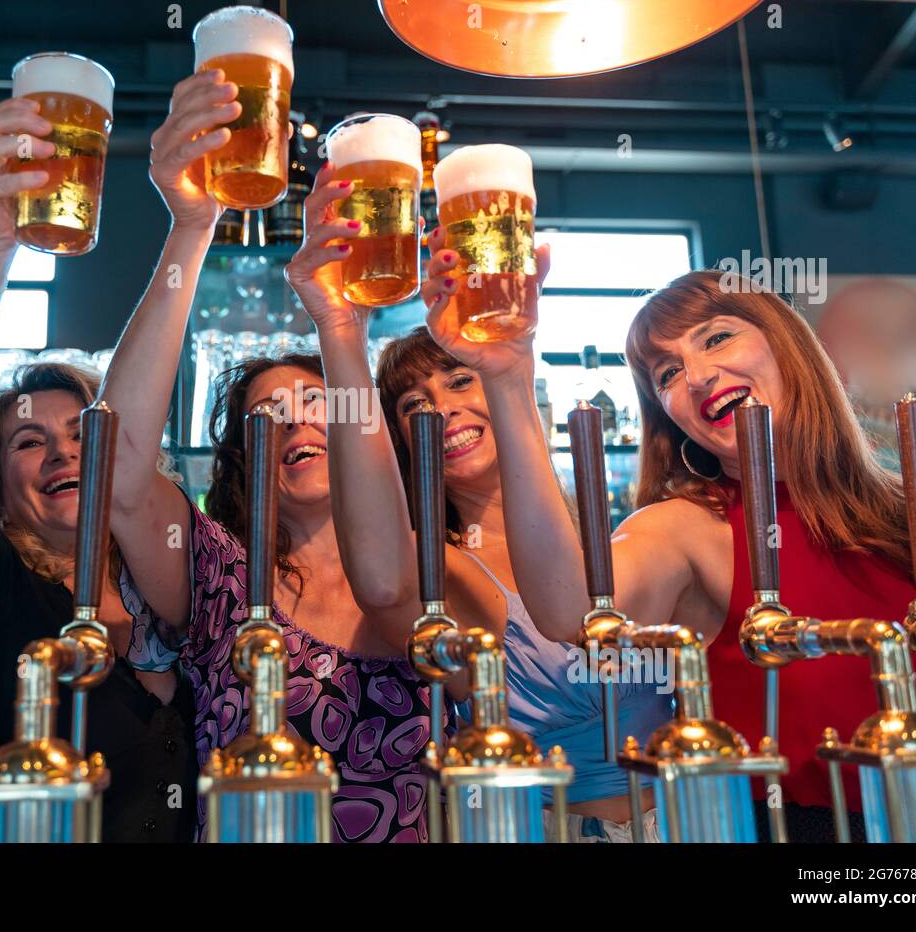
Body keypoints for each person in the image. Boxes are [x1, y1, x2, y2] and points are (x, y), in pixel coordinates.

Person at [100, 70, 504, 842]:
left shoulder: (432, 572)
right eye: (267, 419)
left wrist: (338, 325)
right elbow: (117, 473)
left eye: (316, 404)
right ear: (243, 464)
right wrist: (191, 226)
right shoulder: (219, 575)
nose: (294, 425)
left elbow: (416, 617)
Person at [505, 268, 916, 841]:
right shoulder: (688, 526)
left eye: (716, 337)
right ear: (666, 414)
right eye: (668, 373)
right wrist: (509, 378)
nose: (699, 376)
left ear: (784, 342)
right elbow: (569, 609)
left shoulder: (903, 509)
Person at [283, 164, 666, 842]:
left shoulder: (625, 540)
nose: (443, 409)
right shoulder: (446, 573)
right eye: (414, 406)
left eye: (460, 378)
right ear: (404, 441)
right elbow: (376, 578)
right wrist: (340, 333)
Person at [0, 95, 196, 842]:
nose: (64, 451)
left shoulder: (178, 589)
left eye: (79, 433)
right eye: (29, 442)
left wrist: (193, 224)